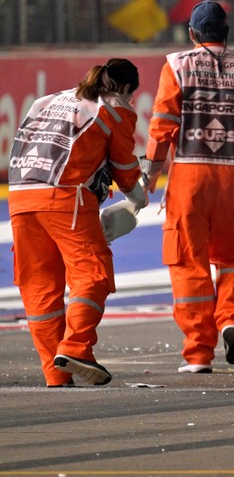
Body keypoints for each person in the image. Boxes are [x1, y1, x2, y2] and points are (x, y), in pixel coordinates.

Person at [140, 0, 234, 374]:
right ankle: (232, 319)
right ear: (226, 33)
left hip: (190, 177)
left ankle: (198, 353)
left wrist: (151, 175)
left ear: (192, 34)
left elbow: (162, 126)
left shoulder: (176, 65)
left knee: (189, 260)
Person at [8, 59, 147, 387]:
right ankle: (76, 347)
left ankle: (56, 373)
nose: (130, 102)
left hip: (20, 197)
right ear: (125, 89)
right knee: (93, 274)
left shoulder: (46, 101)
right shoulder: (114, 109)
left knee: (39, 287)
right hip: (66, 197)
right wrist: (137, 200)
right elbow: (124, 166)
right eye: (131, 95)